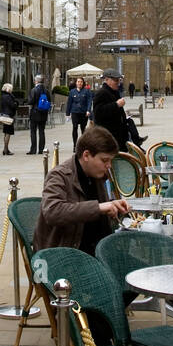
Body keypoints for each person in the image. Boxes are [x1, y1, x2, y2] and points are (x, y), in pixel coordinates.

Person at [34, 126, 129, 255]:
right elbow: (52, 211)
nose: (109, 166)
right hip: (67, 257)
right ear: (86, 155)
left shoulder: (96, 173)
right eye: (105, 160)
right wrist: (99, 207)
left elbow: (95, 208)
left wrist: (113, 205)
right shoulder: (59, 175)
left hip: (100, 250)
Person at [91, 69, 129, 152]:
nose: (118, 82)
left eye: (119, 80)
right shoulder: (101, 93)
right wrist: (116, 105)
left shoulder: (114, 92)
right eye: (115, 80)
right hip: (108, 135)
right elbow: (98, 113)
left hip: (117, 135)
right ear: (107, 79)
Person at [66, 76, 93, 147]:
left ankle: (83, 145)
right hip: (75, 112)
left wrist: (88, 110)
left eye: (81, 82)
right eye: (78, 82)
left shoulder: (87, 91)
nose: (79, 83)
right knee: (75, 127)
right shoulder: (72, 92)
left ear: (83, 83)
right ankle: (75, 145)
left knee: (83, 128)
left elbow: (89, 102)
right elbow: (69, 103)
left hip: (83, 112)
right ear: (76, 83)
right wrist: (67, 114)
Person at [26, 74, 49, 155]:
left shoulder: (34, 90)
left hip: (35, 113)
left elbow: (30, 101)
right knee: (42, 131)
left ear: (36, 81)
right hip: (43, 113)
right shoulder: (46, 90)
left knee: (33, 132)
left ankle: (33, 149)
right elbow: (49, 100)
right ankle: (41, 149)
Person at [0, 82, 19, 155]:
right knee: (8, 133)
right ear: (8, 89)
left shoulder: (3, 96)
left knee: (6, 132)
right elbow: (12, 106)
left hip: (4, 116)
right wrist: (16, 103)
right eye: (11, 89)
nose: (11, 90)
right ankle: (5, 149)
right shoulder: (8, 96)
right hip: (8, 116)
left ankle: (6, 149)